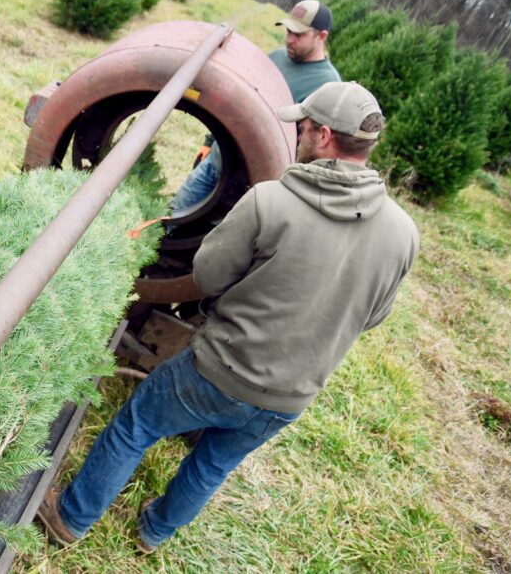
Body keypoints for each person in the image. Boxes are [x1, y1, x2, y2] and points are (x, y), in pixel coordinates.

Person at [38, 81, 419, 554]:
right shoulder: (403, 232)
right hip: (292, 394)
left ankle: (70, 517)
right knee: (213, 463)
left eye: (301, 128)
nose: (296, 136)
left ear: (322, 135)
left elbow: (209, 275)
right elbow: (374, 315)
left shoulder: (270, 202)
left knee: (137, 424)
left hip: (222, 370)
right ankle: (154, 532)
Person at [170, 0, 341, 213]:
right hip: (217, 159)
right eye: (288, 32)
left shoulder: (327, 85)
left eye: (299, 35)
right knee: (173, 216)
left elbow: (312, 147)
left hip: (252, 182)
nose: (289, 40)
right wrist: (209, 142)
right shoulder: (277, 57)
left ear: (321, 36)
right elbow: (238, 103)